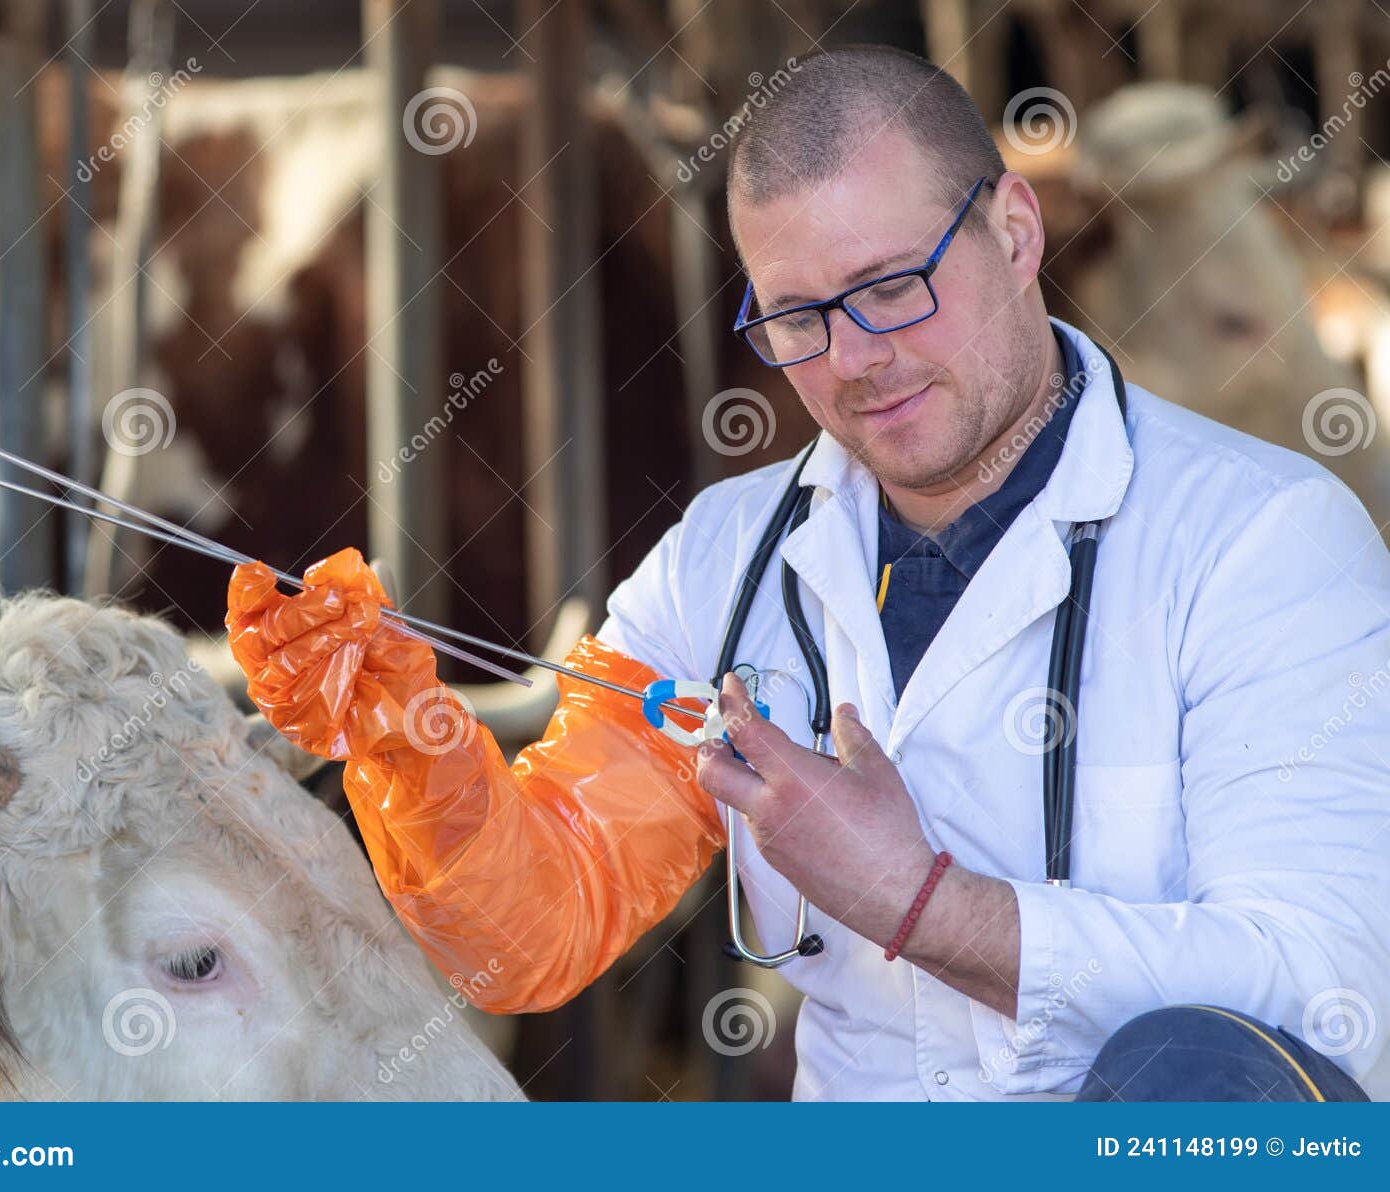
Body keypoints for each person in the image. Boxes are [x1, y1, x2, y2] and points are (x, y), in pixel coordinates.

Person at [227, 46, 1389, 1101]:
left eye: (892, 287)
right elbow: (534, 927)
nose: (855, 360)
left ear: (1017, 233)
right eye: (795, 317)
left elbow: (1324, 992)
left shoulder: (1265, 542)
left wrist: (921, 903)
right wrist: (406, 737)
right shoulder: (721, 561)